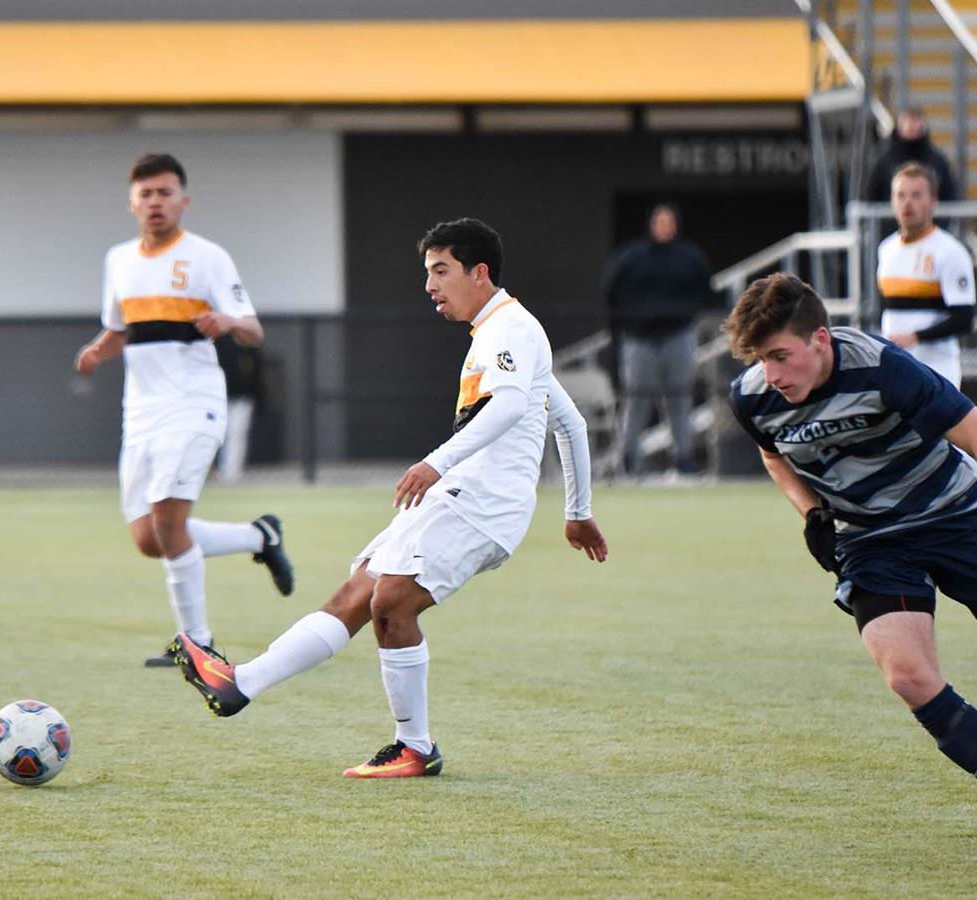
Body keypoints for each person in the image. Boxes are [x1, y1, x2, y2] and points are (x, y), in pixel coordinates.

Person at [170, 218, 607, 778]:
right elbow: (569, 425)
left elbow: (511, 408)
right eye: (427, 272)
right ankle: (241, 684)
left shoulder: (511, 329)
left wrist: (435, 461)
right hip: (459, 495)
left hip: (481, 502)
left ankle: (415, 748)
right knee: (359, 592)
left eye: (440, 271)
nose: (429, 285)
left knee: (390, 603)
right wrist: (577, 514)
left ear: (480, 273)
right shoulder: (504, 332)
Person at [724, 272, 977, 860]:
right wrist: (811, 514)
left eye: (782, 356)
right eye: (762, 359)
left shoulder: (884, 368)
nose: (773, 374)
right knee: (908, 677)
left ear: (821, 341)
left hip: (953, 515)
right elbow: (772, 455)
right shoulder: (754, 395)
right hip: (874, 542)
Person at [75, 152, 294, 666]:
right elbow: (120, 328)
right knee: (149, 539)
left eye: (165, 192)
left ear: (183, 200)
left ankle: (198, 645)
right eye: (146, 194)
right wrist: (96, 351)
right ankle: (258, 537)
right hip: (141, 414)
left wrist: (226, 321)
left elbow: (253, 328)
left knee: (170, 526)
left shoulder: (207, 257)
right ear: (132, 203)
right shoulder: (118, 260)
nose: (156, 202)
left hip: (194, 406)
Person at [600, 203, 716, 475]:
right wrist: (625, 324)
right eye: (660, 221)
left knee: (679, 398)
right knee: (636, 399)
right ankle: (629, 460)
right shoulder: (632, 257)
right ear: (652, 224)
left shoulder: (689, 257)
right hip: (639, 340)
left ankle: (684, 459)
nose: (664, 227)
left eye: (669, 222)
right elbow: (611, 291)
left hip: (678, 337)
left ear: (675, 225)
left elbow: (706, 292)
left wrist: (686, 315)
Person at [876, 162, 977, 387]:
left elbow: (964, 319)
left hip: (936, 369)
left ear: (933, 202)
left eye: (916, 195)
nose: (907, 202)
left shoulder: (950, 252)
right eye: (901, 195)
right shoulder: (886, 249)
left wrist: (916, 337)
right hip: (895, 368)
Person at [865, 107, 959, 206]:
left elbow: (950, 195)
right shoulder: (884, 163)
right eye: (909, 125)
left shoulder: (938, 161)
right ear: (899, 127)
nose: (913, 128)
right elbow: (872, 196)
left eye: (916, 124)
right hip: (892, 220)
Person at [213, 334, 261, 483]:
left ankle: (231, 472)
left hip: (242, 397)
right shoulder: (219, 342)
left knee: (237, 433)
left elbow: (255, 373)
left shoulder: (249, 345)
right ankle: (216, 470)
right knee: (215, 435)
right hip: (218, 397)